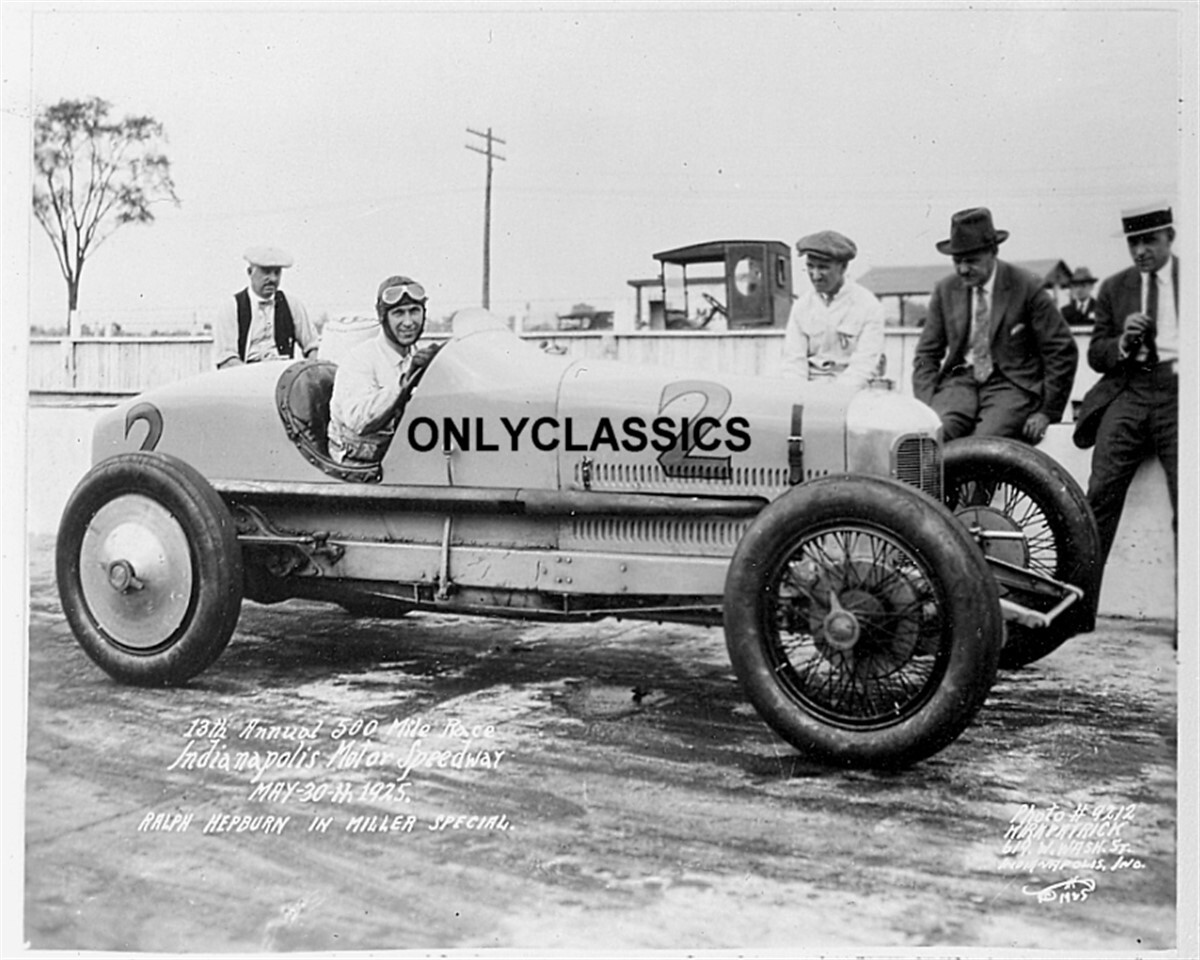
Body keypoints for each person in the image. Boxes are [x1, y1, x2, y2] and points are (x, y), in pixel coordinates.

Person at [912, 207, 1078, 444]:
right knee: (933, 434)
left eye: (971, 261)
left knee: (984, 445)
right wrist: (926, 406)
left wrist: (1046, 412)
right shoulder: (945, 290)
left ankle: (971, 483)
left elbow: (1061, 351)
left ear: (993, 252)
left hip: (1012, 385)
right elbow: (926, 354)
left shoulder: (1026, 286)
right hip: (959, 383)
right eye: (957, 261)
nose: (963, 269)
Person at [1073, 203, 1179, 567]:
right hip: (1130, 389)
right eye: (1134, 242)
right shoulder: (1115, 287)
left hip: (1180, 392)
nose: (1140, 251)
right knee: (1099, 494)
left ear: (1171, 237)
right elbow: (1096, 355)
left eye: (1149, 241)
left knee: (1189, 498)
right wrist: (1121, 343)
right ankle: (1077, 616)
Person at [328, 275, 440, 465]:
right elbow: (358, 421)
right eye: (398, 313)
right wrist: (403, 384)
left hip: (400, 455)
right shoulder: (360, 358)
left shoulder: (416, 355)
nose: (408, 322)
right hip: (359, 462)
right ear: (382, 316)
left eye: (414, 311)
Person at [781, 230, 885, 387]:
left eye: (823, 267)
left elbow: (864, 364)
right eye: (810, 266)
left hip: (853, 392)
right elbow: (794, 362)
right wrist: (799, 394)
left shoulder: (868, 305)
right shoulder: (802, 306)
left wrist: (833, 399)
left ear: (843, 268)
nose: (815, 275)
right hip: (809, 391)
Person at [213, 246, 319, 369]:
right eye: (266, 272)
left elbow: (312, 346)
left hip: (282, 377)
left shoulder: (292, 304)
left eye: (277, 272)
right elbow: (226, 359)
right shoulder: (231, 307)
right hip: (244, 377)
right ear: (250, 272)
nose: (273, 279)